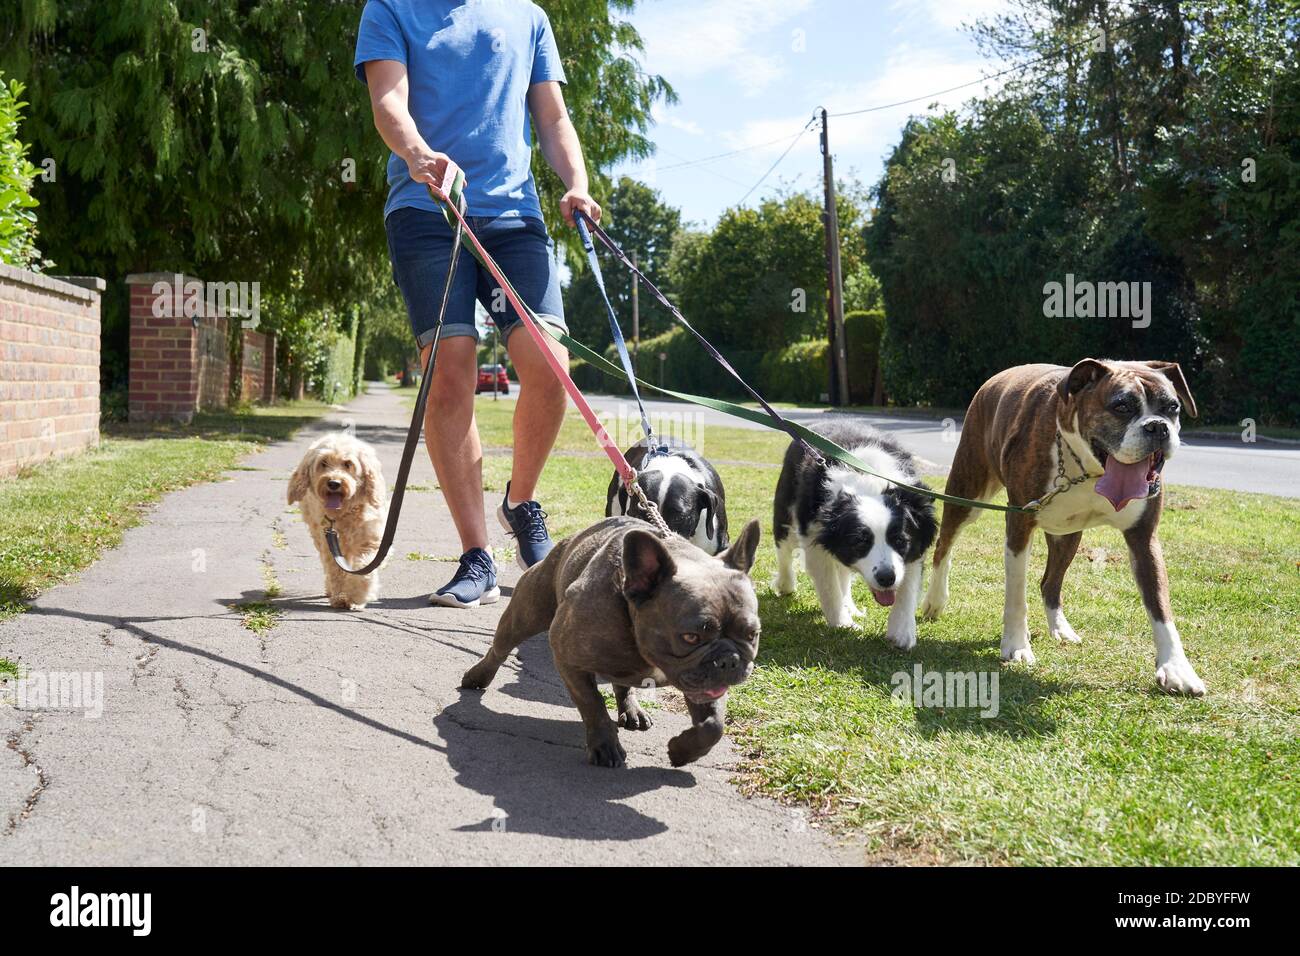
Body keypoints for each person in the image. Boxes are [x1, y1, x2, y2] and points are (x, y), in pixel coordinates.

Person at [354, 0, 602, 607]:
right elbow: (389, 101)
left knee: (549, 364)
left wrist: (576, 183)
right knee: (451, 369)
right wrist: (417, 156)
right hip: (426, 209)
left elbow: (551, 118)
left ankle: (520, 503)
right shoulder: (390, 8)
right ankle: (477, 556)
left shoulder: (529, 17)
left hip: (515, 216)